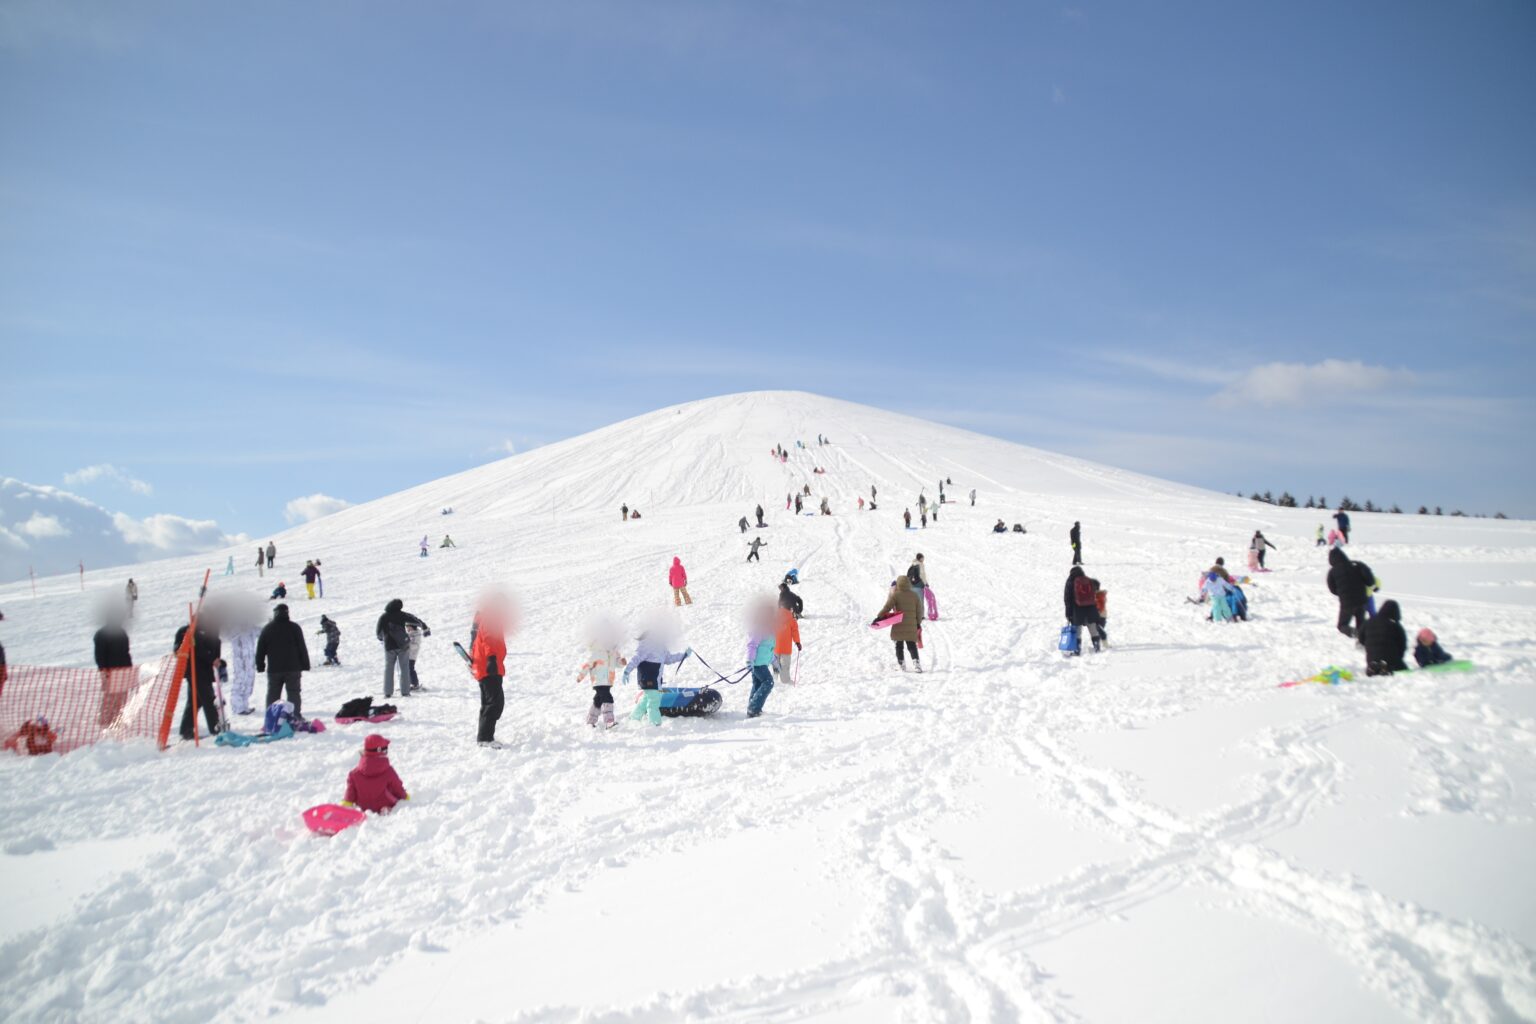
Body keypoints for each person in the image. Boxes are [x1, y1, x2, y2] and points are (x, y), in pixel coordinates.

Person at [623, 631, 689, 727]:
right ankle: (655, 724)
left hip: (654, 680)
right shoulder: (647, 647)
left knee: (646, 700)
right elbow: (636, 659)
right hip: (648, 679)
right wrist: (627, 671)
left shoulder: (661, 648)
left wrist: (684, 655)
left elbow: (669, 658)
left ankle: (634, 718)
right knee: (653, 702)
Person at [255, 603, 309, 718]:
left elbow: (260, 649)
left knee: (273, 694)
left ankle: (271, 717)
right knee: (293, 693)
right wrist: (305, 664)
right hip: (293, 668)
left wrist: (260, 665)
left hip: (274, 668)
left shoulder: (268, 629)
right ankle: (295, 716)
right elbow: (302, 647)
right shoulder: (294, 627)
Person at [173, 615, 222, 740]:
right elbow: (195, 650)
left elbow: (213, 648)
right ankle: (215, 728)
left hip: (203, 671)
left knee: (195, 701)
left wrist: (216, 659)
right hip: (195, 672)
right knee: (208, 699)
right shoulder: (186, 632)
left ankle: (186, 729)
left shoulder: (207, 632)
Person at [469, 595, 509, 747]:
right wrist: (491, 658)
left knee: (490, 702)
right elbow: (488, 639)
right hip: (489, 668)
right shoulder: (491, 618)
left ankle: (484, 737)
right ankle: (485, 738)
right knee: (494, 703)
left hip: (488, 666)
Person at [342, 734, 409, 814]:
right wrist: (405, 797)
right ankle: (386, 808)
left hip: (363, 806)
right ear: (380, 751)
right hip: (385, 802)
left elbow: (350, 793)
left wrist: (346, 803)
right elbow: (397, 788)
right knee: (389, 791)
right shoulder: (389, 771)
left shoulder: (354, 774)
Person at [376, 599, 429, 700]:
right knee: (404, 668)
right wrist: (425, 627)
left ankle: (388, 693)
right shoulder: (402, 614)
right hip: (403, 645)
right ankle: (405, 692)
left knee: (389, 669)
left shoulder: (383, 616)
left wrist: (382, 639)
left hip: (389, 646)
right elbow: (415, 620)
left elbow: (378, 633)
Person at [576, 626, 626, 729]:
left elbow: (617, 664)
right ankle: (609, 721)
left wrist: (621, 662)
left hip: (608, 681)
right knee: (607, 698)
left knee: (598, 700)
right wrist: (581, 676)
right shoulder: (597, 652)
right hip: (598, 681)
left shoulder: (614, 652)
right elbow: (587, 665)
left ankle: (590, 721)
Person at [873, 577, 923, 672]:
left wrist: (879, 617)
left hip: (898, 623)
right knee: (912, 645)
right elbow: (919, 611)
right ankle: (917, 664)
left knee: (899, 645)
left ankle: (901, 665)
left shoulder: (896, 595)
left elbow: (887, 607)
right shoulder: (914, 595)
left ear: (898, 584)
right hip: (911, 624)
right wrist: (918, 623)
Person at [1326, 546, 1375, 640]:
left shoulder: (1332, 572)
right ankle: (1363, 640)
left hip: (1347, 603)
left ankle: (1353, 633)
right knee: (1361, 623)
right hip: (1362, 600)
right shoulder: (1357, 565)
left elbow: (1332, 589)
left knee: (1342, 625)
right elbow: (1370, 580)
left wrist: (1342, 593)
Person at [94, 613, 133, 729]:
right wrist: (103, 670)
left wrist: (129, 668)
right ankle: (105, 721)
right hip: (109, 671)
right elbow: (99, 655)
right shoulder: (101, 635)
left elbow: (126, 652)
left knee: (122, 696)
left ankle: (117, 719)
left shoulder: (122, 633)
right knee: (110, 697)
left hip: (123, 670)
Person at [745, 602, 777, 717]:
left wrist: (774, 662)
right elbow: (752, 645)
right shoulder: (759, 629)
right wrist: (749, 660)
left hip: (762, 663)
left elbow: (768, 649)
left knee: (758, 684)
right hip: (757, 663)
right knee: (768, 682)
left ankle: (752, 708)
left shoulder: (770, 631)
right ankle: (754, 708)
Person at [1064, 566, 1104, 654]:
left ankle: (1077, 650)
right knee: (1092, 628)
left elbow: (1067, 599)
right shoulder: (1087, 580)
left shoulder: (1070, 581)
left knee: (1077, 630)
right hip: (1090, 608)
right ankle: (1097, 646)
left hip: (1077, 610)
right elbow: (1097, 584)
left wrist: (1068, 614)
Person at [1361, 599, 1407, 675]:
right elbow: (1402, 644)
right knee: (1402, 668)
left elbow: (1361, 638)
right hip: (1391, 658)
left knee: (1376, 660)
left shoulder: (1368, 622)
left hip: (1371, 657)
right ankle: (1385, 667)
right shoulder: (1395, 625)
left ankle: (1375, 666)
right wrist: (1399, 657)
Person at [228, 618, 259, 714]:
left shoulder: (251, 629)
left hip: (250, 662)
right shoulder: (234, 629)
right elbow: (226, 635)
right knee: (239, 682)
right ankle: (237, 707)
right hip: (240, 661)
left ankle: (244, 706)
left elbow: (261, 631)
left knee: (248, 682)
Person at [773, 603, 801, 686]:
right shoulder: (791, 619)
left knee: (775, 662)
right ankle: (785, 681)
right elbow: (795, 632)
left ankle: (775, 678)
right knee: (785, 665)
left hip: (775, 646)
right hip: (786, 648)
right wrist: (797, 642)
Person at [405, 621, 425, 692]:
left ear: (413, 627)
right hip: (406, 655)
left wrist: (407, 644)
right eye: (407, 628)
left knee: (410, 669)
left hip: (412, 656)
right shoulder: (409, 634)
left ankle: (415, 684)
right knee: (406, 670)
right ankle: (407, 684)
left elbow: (416, 645)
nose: (408, 629)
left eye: (409, 628)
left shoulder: (416, 634)